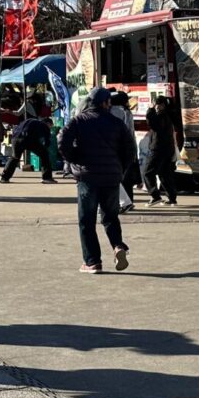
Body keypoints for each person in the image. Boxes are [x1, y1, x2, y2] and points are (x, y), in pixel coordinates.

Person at [59, 87, 137, 274]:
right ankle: (117, 245)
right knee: (110, 217)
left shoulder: (79, 121)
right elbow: (130, 149)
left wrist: (74, 159)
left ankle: (92, 261)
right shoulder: (116, 123)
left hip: (87, 177)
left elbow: (62, 141)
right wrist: (120, 167)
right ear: (105, 103)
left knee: (87, 220)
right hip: (111, 177)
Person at [144, 93, 183, 206]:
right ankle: (172, 198)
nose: (156, 106)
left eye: (158, 104)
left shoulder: (162, 116)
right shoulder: (168, 115)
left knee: (148, 172)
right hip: (167, 149)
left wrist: (150, 110)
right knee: (164, 173)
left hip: (158, 149)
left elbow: (153, 124)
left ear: (163, 106)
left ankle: (155, 196)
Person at [1, 113, 55, 184]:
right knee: (44, 155)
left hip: (15, 139)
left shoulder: (28, 121)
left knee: (15, 157)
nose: (50, 127)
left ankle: (4, 177)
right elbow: (47, 141)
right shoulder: (44, 126)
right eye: (51, 126)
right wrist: (44, 148)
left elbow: (15, 130)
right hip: (27, 138)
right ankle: (47, 178)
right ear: (48, 123)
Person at [108, 90, 141, 210]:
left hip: (116, 149)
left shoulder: (113, 111)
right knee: (127, 177)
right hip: (128, 147)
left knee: (117, 177)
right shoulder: (127, 111)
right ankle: (128, 201)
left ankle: (122, 203)